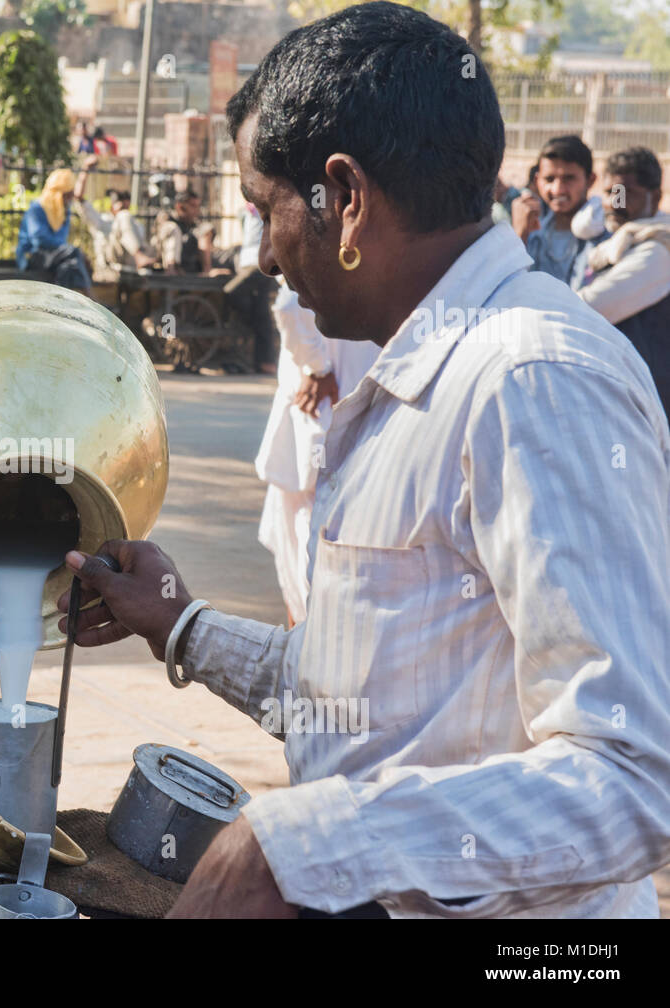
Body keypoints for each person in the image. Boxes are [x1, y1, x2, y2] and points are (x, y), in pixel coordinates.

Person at [59, 2, 670, 918]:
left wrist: (305, 842)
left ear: (344, 198)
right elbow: (366, 695)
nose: (264, 252)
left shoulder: (532, 378)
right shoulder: (423, 367)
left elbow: (630, 775)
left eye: (265, 211)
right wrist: (180, 625)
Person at [254, 280, 379, 625]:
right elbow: (290, 305)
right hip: (323, 413)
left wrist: (317, 366)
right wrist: (316, 367)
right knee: (304, 545)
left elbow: (289, 305)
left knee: (304, 546)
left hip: (327, 415)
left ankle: (306, 652)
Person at [575, 146, 670, 417]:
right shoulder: (620, 239)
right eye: (610, 193)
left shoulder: (658, 249)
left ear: (656, 197)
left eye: (627, 194)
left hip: (646, 402)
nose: (616, 203)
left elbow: (589, 307)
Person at [512, 135, 601, 286]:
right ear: (537, 181)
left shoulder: (603, 241)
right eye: (549, 179)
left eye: (569, 179)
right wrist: (519, 234)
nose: (558, 189)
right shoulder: (530, 236)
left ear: (590, 180)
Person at [16, 167, 93, 292]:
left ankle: (61, 304)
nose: (71, 197)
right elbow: (39, 240)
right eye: (69, 194)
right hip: (33, 256)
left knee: (69, 267)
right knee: (74, 253)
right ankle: (90, 297)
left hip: (55, 258)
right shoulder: (37, 209)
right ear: (60, 194)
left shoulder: (64, 212)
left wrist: (64, 250)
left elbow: (60, 241)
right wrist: (66, 250)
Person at [223, 205, 279, 374]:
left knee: (231, 291)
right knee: (261, 313)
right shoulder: (244, 212)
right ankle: (264, 362)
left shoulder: (268, 208)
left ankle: (265, 360)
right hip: (246, 262)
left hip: (259, 264)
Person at [157, 189, 212, 274]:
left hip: (190, 264)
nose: (197, 211)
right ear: (180, 207)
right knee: (172, 228)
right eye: (193, 206)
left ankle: (206, 271)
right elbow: (162, 226)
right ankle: (172, 269)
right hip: (165, 259)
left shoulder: (194, 225)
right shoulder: (169, 219)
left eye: (198, 206)